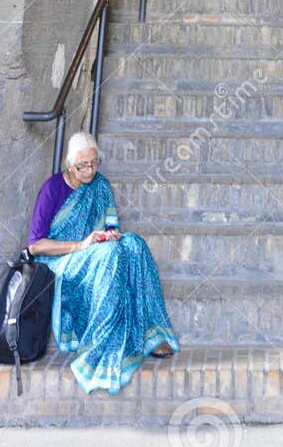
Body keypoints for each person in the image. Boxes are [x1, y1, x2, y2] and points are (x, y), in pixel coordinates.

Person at [27, 131, 179, 394]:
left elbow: (111, 225)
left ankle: (150, 334)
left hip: (95, 250)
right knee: (109, 255)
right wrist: (80, 245)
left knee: (133, 244)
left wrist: (111, 235)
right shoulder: (52, 189)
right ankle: (103, 342)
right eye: (82, 165)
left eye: (94, 163)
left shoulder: (101, 185)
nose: (89, 170)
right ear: (69, 164)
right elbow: (35, 245)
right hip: (61, 259)